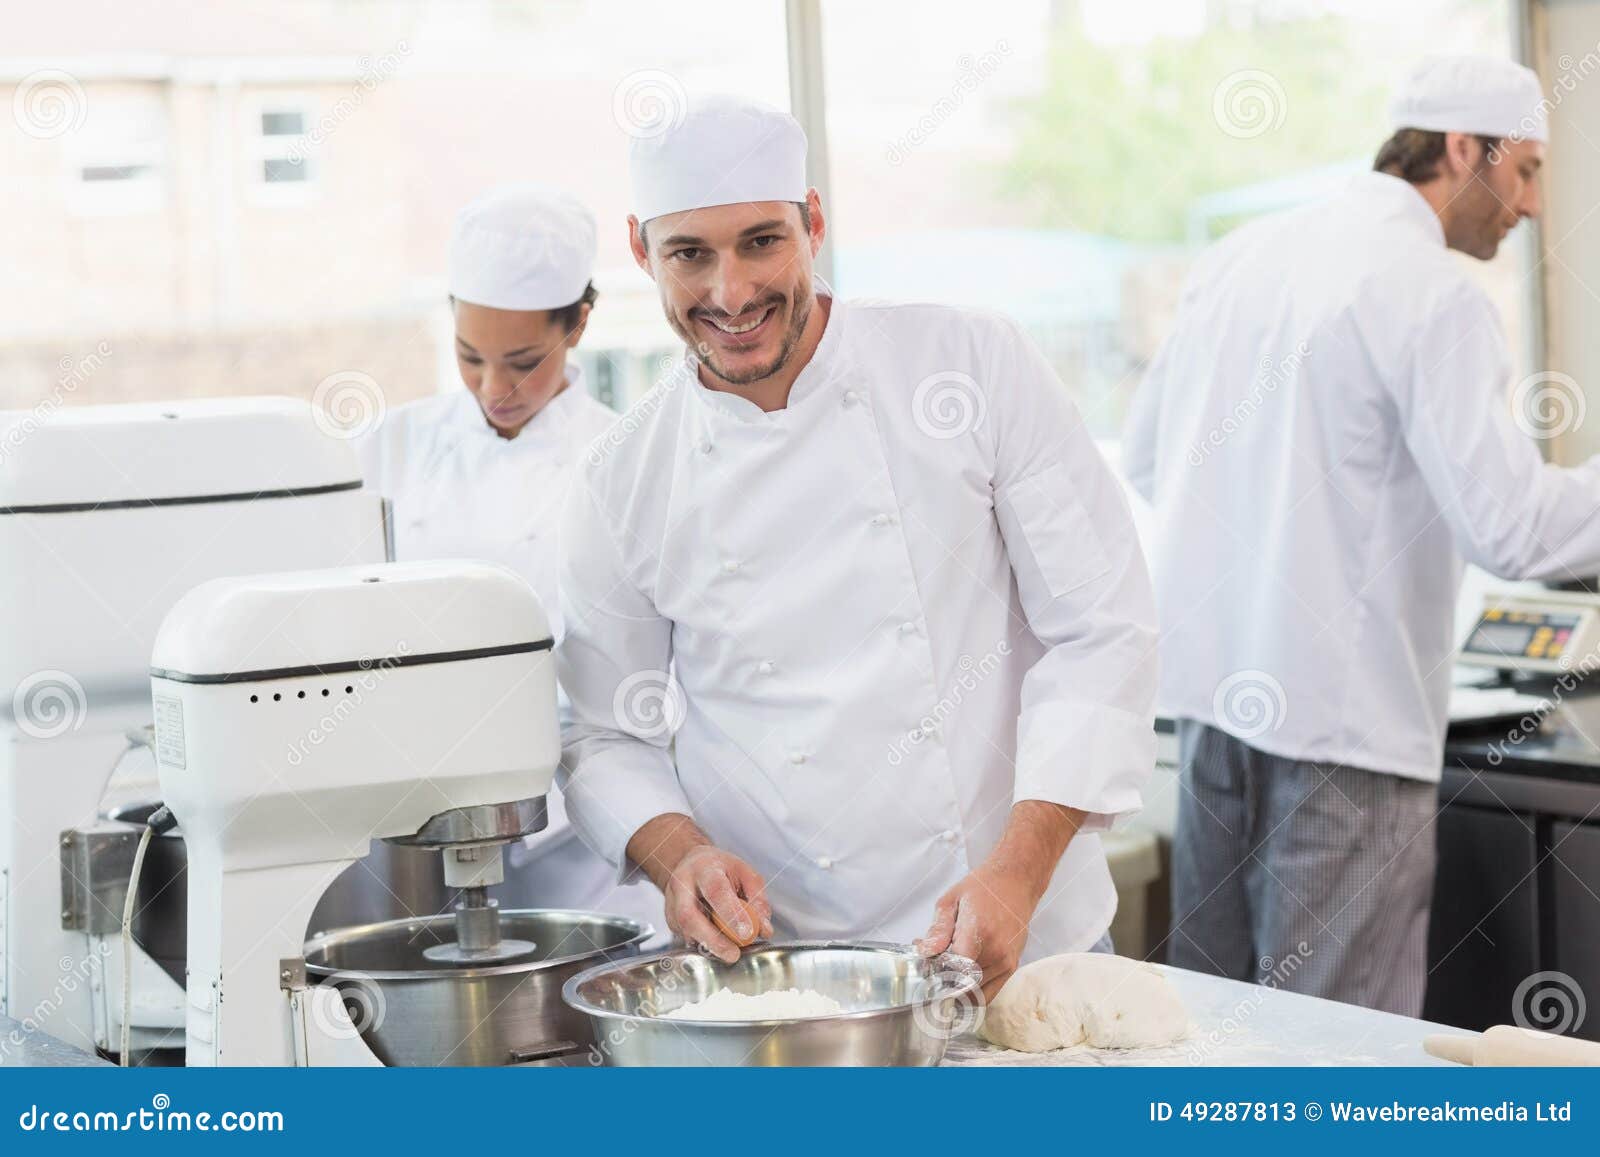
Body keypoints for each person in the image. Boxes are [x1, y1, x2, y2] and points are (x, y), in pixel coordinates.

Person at [556, 95, 1157, 1000]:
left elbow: (1100, 628)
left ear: (815, 223)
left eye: (763, 241)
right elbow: (603, 731)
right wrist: (681, 856)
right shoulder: (620, 475)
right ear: (642, 250)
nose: (731, 293)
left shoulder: (967, 363)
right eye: (690, 253)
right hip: (793, 984)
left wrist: (1019, 875)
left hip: (1028, 949)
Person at [1122, 55, 1598, 1015]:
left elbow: (1145, 459)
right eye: (1527, 169)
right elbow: (1513, 529)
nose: (1533, 205)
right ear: (1464, 149)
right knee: (1340, 1048)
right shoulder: (1436, 293)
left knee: (1211, 1030)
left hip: (1216, 717)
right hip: (1348, 737)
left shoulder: (1245, 255)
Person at [361, 184, 662, 932]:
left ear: (580, 324)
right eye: (470, 357)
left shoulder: (625, 458)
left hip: (581, 828)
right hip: (412, 821)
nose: (494, 389)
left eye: (523, 362)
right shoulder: (389, 447)